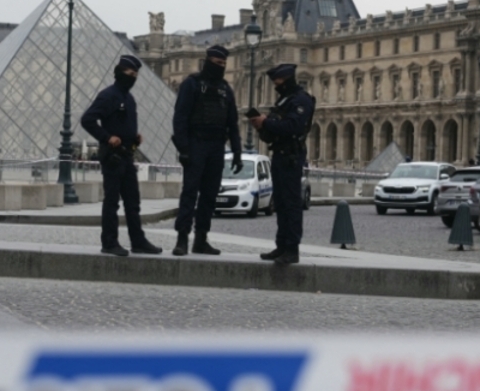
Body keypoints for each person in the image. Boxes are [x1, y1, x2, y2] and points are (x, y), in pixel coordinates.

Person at [80, 55, 163, 257]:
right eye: (130, 73)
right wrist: (107, 137)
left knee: (133, 201)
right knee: (112, 201)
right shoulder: (108, 95)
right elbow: (87, 119)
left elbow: (123, 126)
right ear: (119, 72)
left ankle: (138, 241)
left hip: (127, 155)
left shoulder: (129, 99)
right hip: (113, 156)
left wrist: (135, 139)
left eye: (135, 75)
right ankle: (109, 242)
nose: (133, 77)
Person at [171, 44, 243, 256]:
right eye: (217, 63)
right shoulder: (191, 84)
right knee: (190, 193)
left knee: (209, 195)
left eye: (223, 64)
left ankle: (201, 238)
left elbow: (233, 123)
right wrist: (183, 149)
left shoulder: (225, 90)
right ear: (208, 61)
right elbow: (180, 118)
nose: (220, 66)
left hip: (216, 147)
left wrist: (237, 152)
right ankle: (182, 238)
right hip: (196, 144)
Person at [248, 64, 315, 265]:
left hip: (291, 156)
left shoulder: (301, 100)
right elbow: (278, 128)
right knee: (281, 203)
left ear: (287, 79)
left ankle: (292, 249)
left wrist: (266, 122)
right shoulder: (285, 100)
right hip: (280, 154)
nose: (276, 86)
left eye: (278, 82)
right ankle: (281, 245)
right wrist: (262, 126)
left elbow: (292, 126)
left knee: (291, 203)